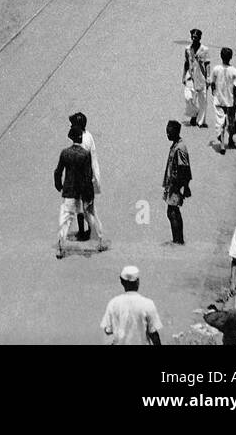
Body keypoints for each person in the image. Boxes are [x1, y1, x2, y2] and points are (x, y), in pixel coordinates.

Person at [53, 123, 104, 258]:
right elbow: (87, 176)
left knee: (65, 220)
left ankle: (60, 247)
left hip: (69, 191)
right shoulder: (85, 154)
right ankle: (99, 242)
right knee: (91, 216)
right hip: (82, 192)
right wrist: (89, 194)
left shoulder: (65, 153)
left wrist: (59, 185)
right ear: (80, 137)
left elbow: (58, 172)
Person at [100, 266, 162, 346]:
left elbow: (108, 331)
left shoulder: (113, 303)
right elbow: (153, 334)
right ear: (138, 282)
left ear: (122, 282)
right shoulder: (148, 303)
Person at [163, 119, 192, 244]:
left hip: (176, 184)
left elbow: (184, 168)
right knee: (172, 211)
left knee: (173, 212)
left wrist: (184, 187)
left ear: (176, 132)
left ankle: (178, 240)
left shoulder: (180, 148)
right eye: (167, 132)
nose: (167, 134)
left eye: (170, 132)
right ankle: (177, 239)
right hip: (173, 183)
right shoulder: (176, 145)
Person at [208, 47, 236, 154]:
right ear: (231, 57)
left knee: (220, 121)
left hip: (219, 100)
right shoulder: (234, 71)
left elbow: (212, 82)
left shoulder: (216, 69)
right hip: (230, 101)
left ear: (220, 56)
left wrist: (214, 91)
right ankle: (230, 139)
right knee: (231, 121)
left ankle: (222, 144)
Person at [182, 29, 210, 128]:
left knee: (202, 100)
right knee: (188, 97)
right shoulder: (188, 49)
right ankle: (194, 113)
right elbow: (186, 63)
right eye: (193, 37)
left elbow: (207, 64)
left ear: (200, 38)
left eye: (196, 37)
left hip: (201, 77)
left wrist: (208, 77)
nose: (194, 39)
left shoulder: (204, 50)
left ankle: (201, 121)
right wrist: (183, 75)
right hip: (190, 76)